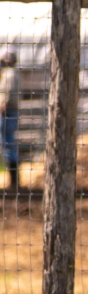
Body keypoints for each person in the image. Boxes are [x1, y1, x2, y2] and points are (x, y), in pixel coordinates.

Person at [0, 52, 20, 191]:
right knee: (8, 142)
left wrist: (3, 105)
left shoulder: (9, 74)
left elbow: (8, 94)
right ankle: (13, 179)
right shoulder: (13, 73)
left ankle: (13, 180)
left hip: (8, 111)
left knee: (7, 142)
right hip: (10, 111)